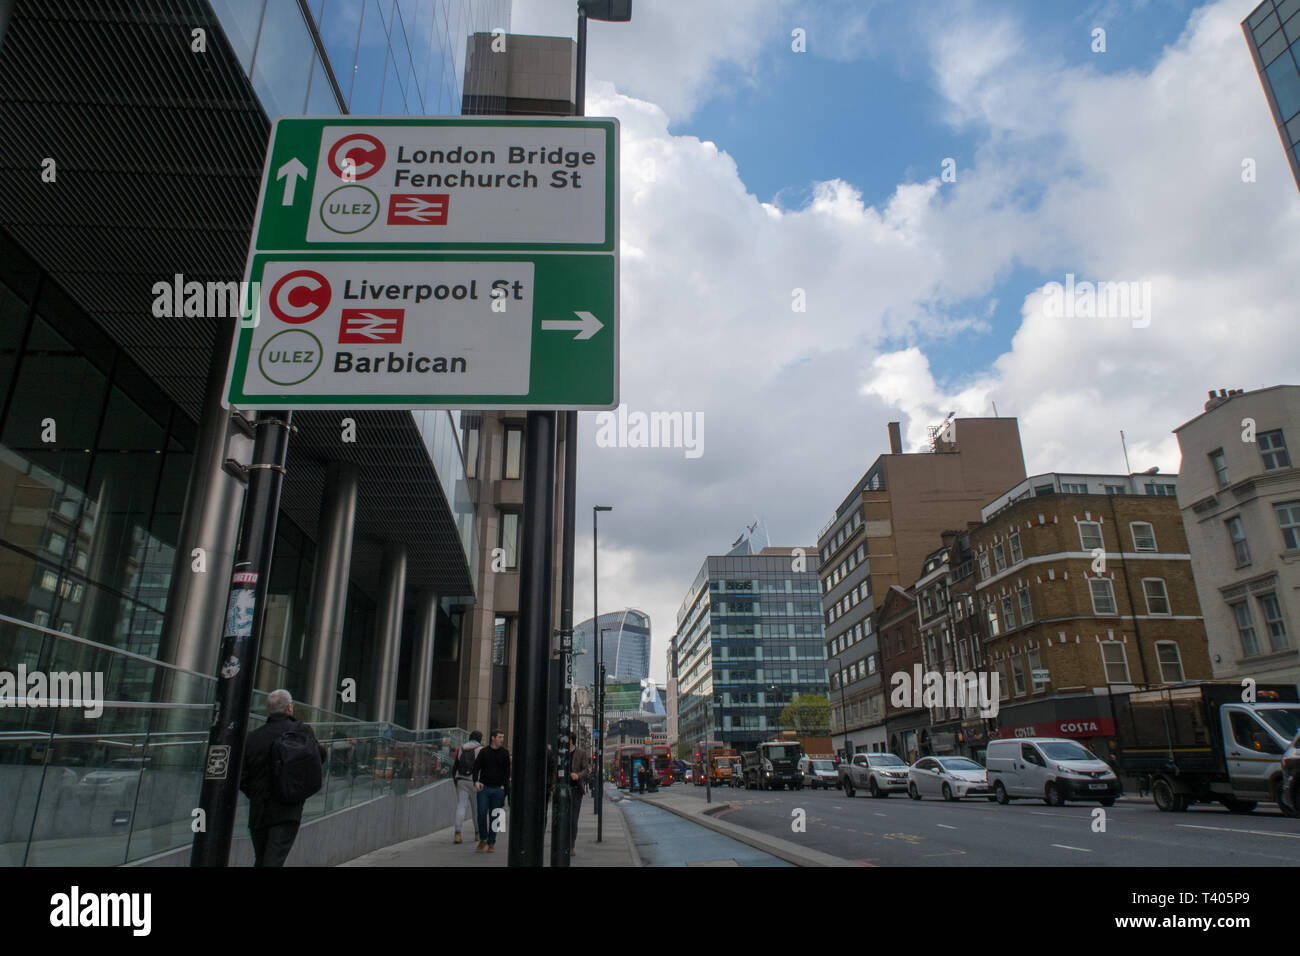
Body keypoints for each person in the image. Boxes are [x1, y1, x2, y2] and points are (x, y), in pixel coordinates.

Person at [239, 689, 325, 867]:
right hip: (287, 809)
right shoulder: (301, 731)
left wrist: (255, 792)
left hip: (259, 809)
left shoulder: (253, 737)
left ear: (269, 710)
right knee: (273, 861)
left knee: (261, 859)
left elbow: (242, 775)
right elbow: (319, 758)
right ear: (289, 708)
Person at [473, 729, 509, 853]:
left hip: (498, 789)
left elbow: (507, 771)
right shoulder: (484, 752)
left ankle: (491, 842)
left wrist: (504, 787)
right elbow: (476, 767)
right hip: (484, 788)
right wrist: (475, 781)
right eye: (499, 737)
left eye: (502, 737)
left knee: (495, 816)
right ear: (492, 738)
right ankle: (483, 838)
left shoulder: (505, 753)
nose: (502, 739)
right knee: (481, 813)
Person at [451, 731, 483, 844]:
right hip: (475, 782)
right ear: (480, 739)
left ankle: (458, 833)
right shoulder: (481, 750)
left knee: (461, 806)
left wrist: (456, 781)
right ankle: (478, 834)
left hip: (461, 780)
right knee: (476, 809)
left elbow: (455, 767)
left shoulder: (461, 748)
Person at [567, 735, 591, 857]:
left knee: (573, 820)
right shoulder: (561, 752)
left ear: (571, 741)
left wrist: (578, 775)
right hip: (563, 789)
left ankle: (571, 846)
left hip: (575, 790)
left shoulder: (581, 753)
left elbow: (586, 770)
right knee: (562, 819)